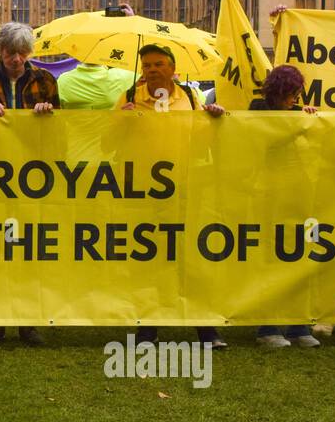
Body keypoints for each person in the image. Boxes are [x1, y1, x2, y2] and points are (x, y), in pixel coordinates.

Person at [115, 43, 227, 348]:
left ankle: (204, 329)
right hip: (143, 191)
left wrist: (214, 119)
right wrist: (120, 122)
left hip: (185, 186)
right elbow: (106, 142)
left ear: (172, 69)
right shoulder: (127, 98)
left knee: (189, 258)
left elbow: (206, 141)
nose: (152, 69)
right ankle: (147, 328)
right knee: (147, 259)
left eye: (159, 64)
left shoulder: (191, 98)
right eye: (147, 65)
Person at [0, 23, 58, 346]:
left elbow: (60, 131)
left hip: (31, 179)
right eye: (10, 52)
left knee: (28, 251)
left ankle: (28, 322)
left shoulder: (46, 81)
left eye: (22, 52)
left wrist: (48, 114)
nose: (16, 59)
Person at [248, 66, 321, 348]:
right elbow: (260, 141)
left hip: (296, 188)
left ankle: (298, 326)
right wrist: (299, 126)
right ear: (278, 90)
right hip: (267, 190)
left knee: (298, 254)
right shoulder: (256, 108)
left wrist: (311, 120)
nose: (295, 98)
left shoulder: (299, 112)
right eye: (291, 93)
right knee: (271, 256)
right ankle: (268, 327)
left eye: (297, 93)